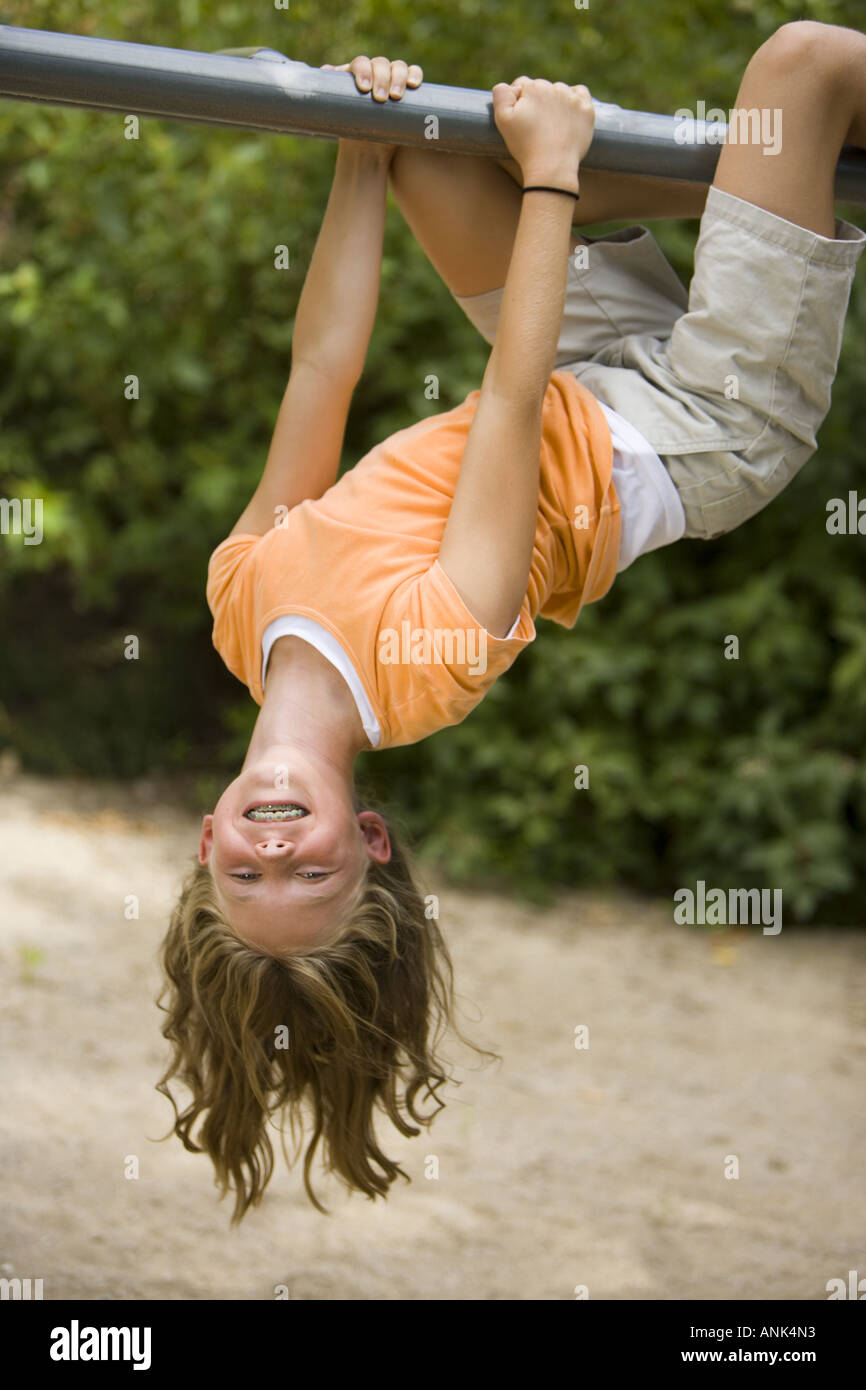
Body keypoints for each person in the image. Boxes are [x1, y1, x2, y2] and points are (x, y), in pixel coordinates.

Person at [157, 23, 865, 1219]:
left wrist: (355, 151)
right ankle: (784, 146)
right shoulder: (423, 671)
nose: (275, 846)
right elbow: (504, 401)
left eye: (247, 868)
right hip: (701, 423)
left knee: (427, 138)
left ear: (207, 839)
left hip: (581, 375)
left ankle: (778, 169)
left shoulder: (240, 611)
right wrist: (548, 172)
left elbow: (321, 368)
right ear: (369, 840)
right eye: (311, 869)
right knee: (799, 65)